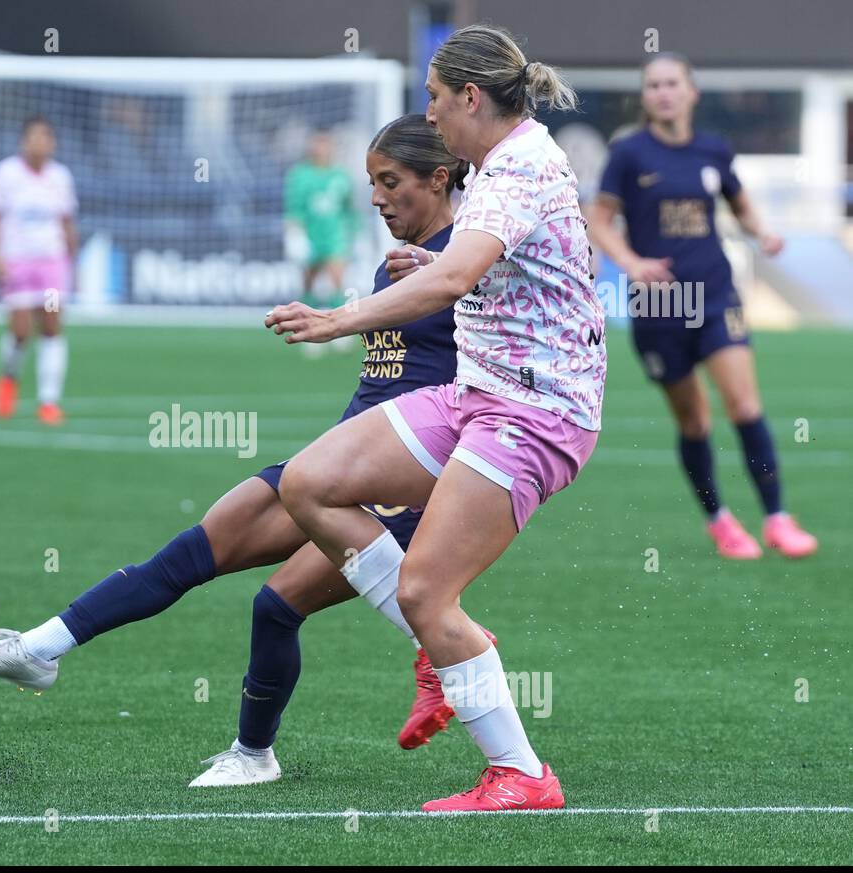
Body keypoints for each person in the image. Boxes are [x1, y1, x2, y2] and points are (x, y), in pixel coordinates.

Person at [0, 117, 493, 779]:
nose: (377, 199)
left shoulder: (470, 262)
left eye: (390, 183)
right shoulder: (402, 267)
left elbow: (506, 336)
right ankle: (40, 648)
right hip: (334, 465)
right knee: (192, 551)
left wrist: (445, 276)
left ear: (440, 178)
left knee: (276, 605)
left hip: (401, 492)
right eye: (371, 184)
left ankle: (261, 751)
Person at [262, 24, 606, 812]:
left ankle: (521, 774)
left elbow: (455, 279)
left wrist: (339, 319)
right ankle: (444, 646)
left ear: (471, 97)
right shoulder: (498, 163)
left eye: (434, 98)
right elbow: (501, 272)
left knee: (425, 591)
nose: (430, 114)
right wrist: (445, 270)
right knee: (310, 482)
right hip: (477, 394)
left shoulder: (519, 165)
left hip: (534, 413)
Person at [589, 53, 817, 559]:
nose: (663, 92)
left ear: (692, 92)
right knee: (694, 422)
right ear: (645, 96)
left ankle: (778, 518)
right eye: (653, 85)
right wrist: (630, 262)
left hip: (715, 296)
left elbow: (739, 203)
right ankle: (720, 521)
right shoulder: (629, 154)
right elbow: (600, 221)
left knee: (745, 406)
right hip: (660, 305)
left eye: (672, 83)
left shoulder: (714, 150)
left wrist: (764, 232)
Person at [0, 117, 79, 426]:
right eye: (34, 137)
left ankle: (49, 401)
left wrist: (70, 259)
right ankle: (9, 379)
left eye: (46, 137)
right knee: (21, 330)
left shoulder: (60, 177)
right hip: (17, 261)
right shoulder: (5, 173)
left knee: (51, 326)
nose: (40, 143)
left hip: (51, 263)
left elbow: (66, 221)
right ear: (24, 141)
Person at [283, 130, 357, 325]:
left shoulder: (341, 174)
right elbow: (293, 208)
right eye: (318, 144)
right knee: (308, 282)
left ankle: (343, 326)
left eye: (325, 144)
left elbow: (349, 208)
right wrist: (294, 234)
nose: (321, 149)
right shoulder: (300, 174)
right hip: (311, 234)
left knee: (337, 280)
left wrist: (358, 233)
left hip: (335, 235)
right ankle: (304, 323)